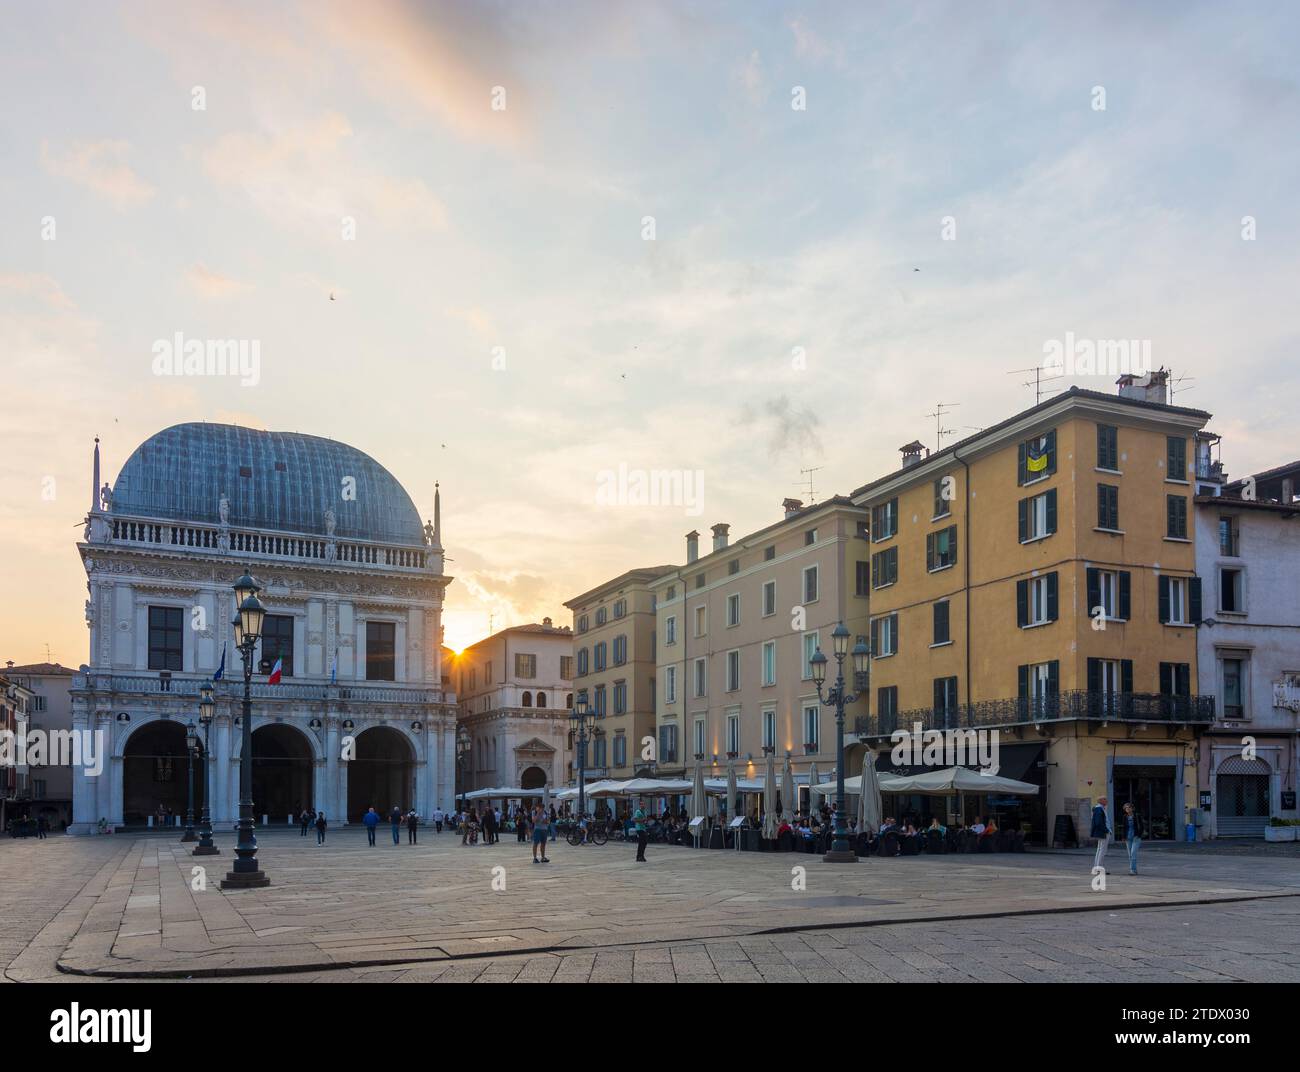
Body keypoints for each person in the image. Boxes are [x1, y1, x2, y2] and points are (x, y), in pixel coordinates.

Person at [1122, 801, 1146, 874]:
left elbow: (1142, 826)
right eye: (1126, 808)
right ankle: (1134, 870)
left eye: (1129, 808)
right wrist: (1123, 837)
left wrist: (1139, 835)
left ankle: (1132, 870)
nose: (1128, 809)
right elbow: (1124, 828)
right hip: (1128, 837)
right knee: (1130, 855)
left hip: (1136, 837)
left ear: (1132, 808)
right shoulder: (1125, 817)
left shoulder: (1137, 816)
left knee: (1133, 853)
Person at [1091, 796, 1112, 874]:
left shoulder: (1100, 808)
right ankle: (1098, 869)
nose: (1106, 801)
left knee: (1099, 850)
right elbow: (1099, 822)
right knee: (1102, 851)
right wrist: (1106, 830)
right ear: (1100, 801)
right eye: (1105, 799)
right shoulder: (1099, 809)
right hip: (1103, 832)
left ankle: (1097, 868)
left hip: (1102, 832)